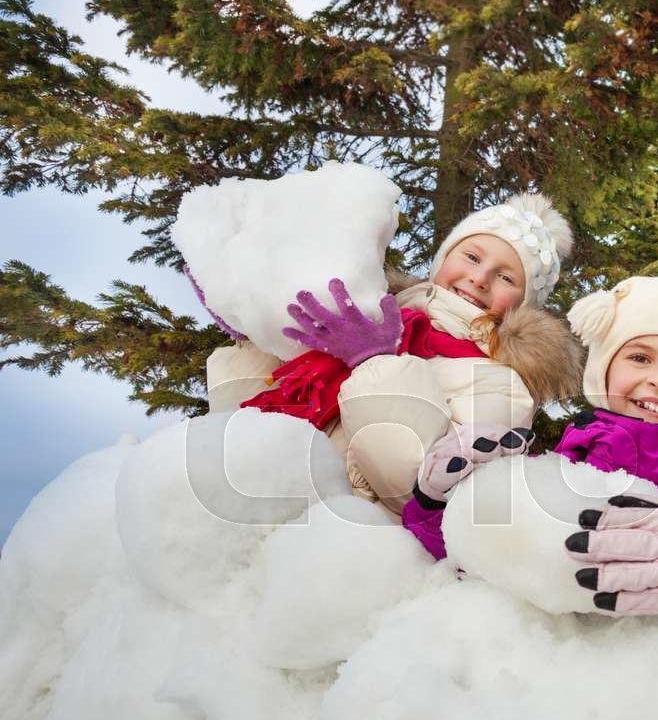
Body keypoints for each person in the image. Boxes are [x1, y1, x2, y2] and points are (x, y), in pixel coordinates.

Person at [402, 275, 658, 615]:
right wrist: (439, 507)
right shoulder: (559, 464)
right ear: (604, 370)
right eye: (639, 357)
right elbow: (466, 572)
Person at [203, 191, 582, 513]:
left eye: (505, 277)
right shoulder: (362, 316)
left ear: (524, 302)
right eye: (471, 256)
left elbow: (420, 491)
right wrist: (252, 335)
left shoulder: (501, 381)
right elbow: (248, 417)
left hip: (367, 549)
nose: (480, 278)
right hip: (271, 511)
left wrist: (375, 362)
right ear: (443, 259)